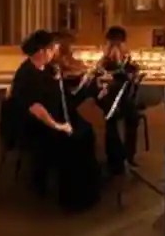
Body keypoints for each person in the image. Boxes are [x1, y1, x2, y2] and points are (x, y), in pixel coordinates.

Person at [10, 29, 101, 211]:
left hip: (52, 118)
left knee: (86, 132)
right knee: (74, 141)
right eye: (52, 49)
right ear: (42, 51)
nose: (54, 53)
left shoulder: (45, 69)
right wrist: (59, 126)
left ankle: (87, 190)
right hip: (36, 128)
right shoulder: (27, 75)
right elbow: (37, 109)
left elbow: (63, 99)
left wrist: (89, 89)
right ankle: (72, 198)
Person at [97, 26, 142, 174]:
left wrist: (131, 74)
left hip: (124, 101)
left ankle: (128, 155)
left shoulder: (128, 62)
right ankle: (116, 157)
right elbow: (100, 76)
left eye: (118, 43)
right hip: (108, 102)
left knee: (132, 117)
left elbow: (132, 76)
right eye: (112, 43)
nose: (115, 47)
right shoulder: (104, 62)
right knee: (109, 119)